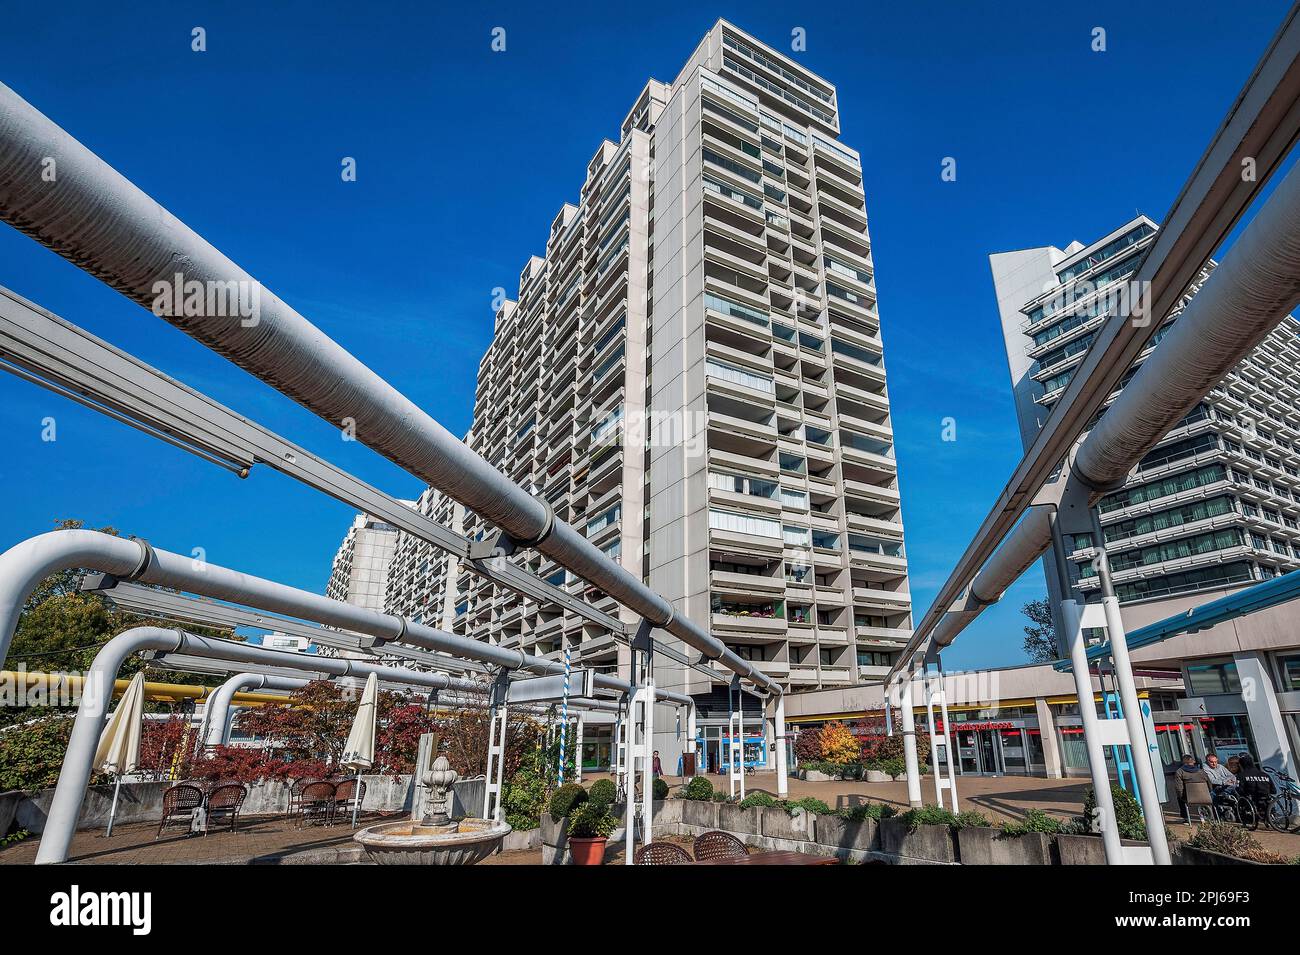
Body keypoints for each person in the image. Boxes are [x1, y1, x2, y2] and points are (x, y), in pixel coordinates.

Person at [1173, 753, 1210, 823]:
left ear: (1183, 762)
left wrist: (1181, 797)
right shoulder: (1201, 771)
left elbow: (1179, 788)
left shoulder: (1180, 772)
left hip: (1190, 797)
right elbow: (1209, 784)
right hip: (1205, 796)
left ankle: (1186, 818)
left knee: (1179, 799)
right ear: (1193, 762)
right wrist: (1209, 793)